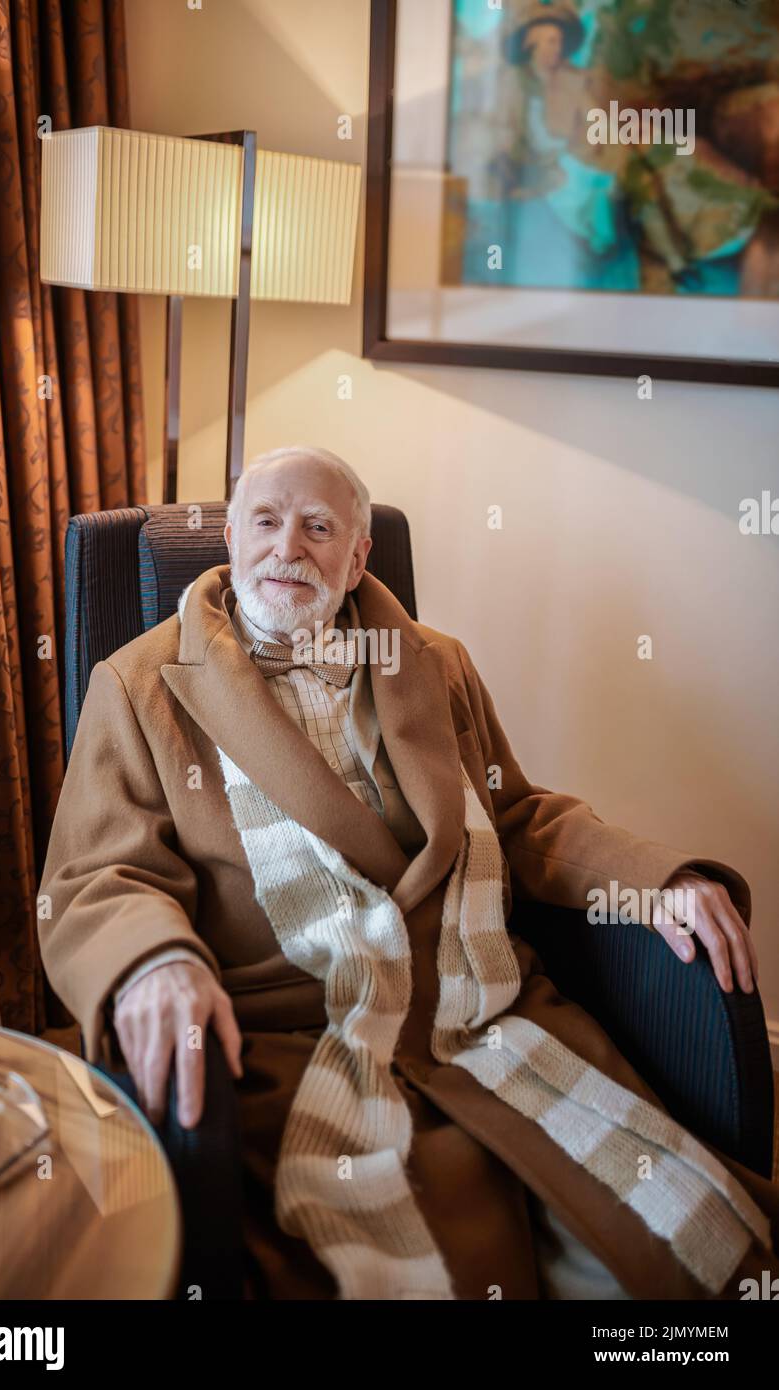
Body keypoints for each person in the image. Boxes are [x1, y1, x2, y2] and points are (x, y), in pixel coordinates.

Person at [39, 445, 776, 1301]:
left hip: (488, 1007)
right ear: (230, 538)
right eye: (267, 523)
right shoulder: (136, 684)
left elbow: (517, 816)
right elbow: (100, 876)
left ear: (357, 558)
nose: (289, 549)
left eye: (319, 528)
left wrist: (656, 880)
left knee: (678, 1245)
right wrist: (153, 962)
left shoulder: (437, 661)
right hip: (297, 1034)